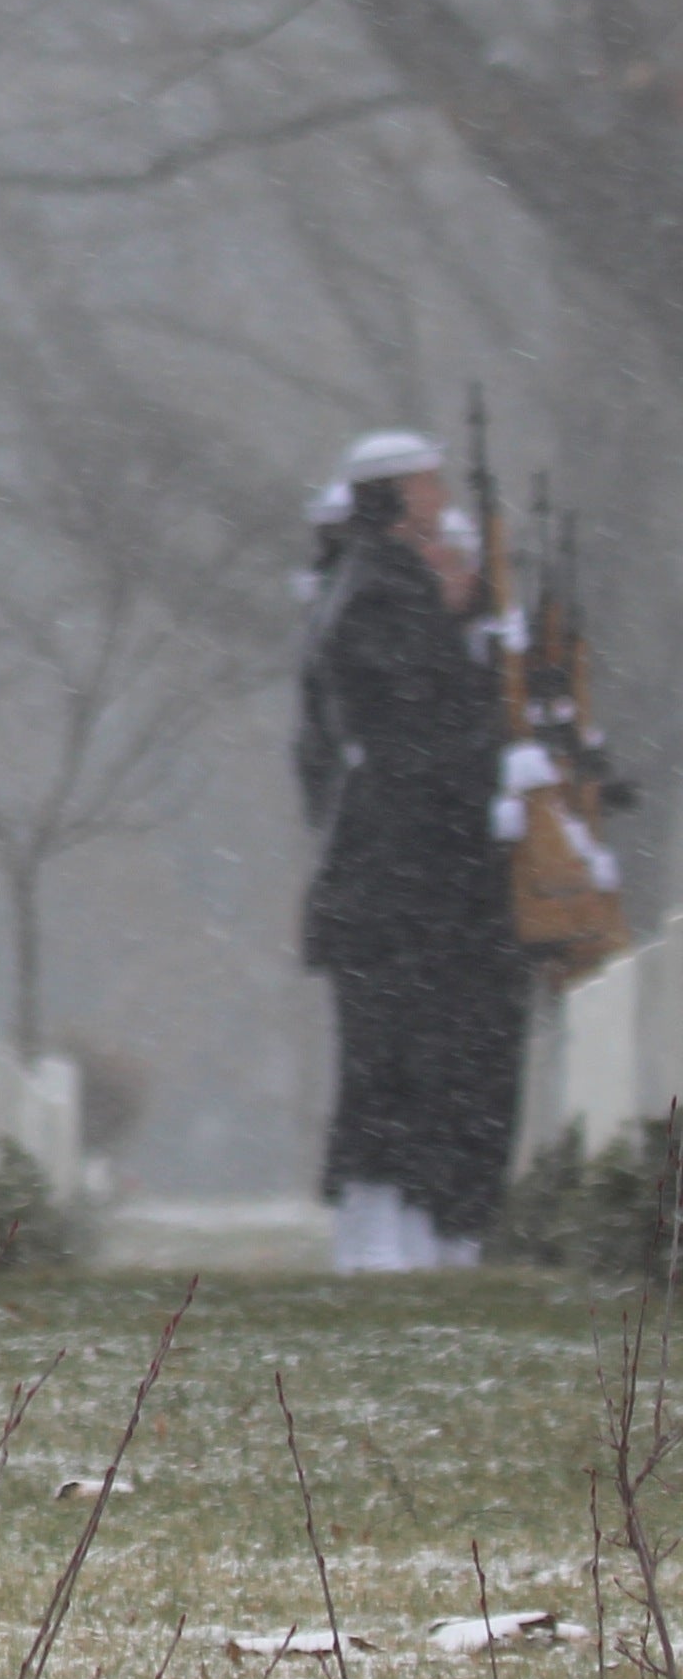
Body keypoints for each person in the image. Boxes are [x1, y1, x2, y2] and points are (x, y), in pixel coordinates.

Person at [295, 428, 524, 1274]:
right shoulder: (382, 589)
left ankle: (420, 1229)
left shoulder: (380, 584)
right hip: (408, 875)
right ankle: (401, 1234)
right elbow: (418, 723)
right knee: (404, 1058)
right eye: (430, 488)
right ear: (396, 495)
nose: (443, 500)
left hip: (403, 872)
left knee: (409, 1059)